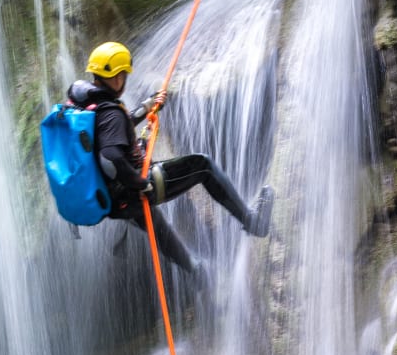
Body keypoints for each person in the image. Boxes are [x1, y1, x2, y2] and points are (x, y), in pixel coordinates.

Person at [67, 41, 273, 273]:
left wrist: (145, 109)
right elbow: (110, 158)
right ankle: (252, 221)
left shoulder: (86, 105)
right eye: (123, 75)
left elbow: (108, 134)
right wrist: (141, 184)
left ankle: (197, 274)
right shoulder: (111, 113)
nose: (123, 80)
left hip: (112, 200)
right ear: (116, 78)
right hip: (129, 190)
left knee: (155, 224)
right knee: (202, 165)